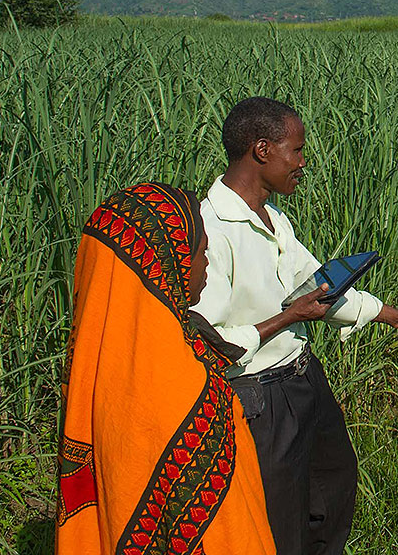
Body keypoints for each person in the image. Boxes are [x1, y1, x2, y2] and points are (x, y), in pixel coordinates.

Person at [192, 97, 398, 554]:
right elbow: (207, 338)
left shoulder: (273, 217)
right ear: (262, 150)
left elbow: (315, 288)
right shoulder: (212, 231)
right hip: (258, 398)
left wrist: (388, 314)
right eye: (296, 151)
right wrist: (287, 318)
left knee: (333, 486)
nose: (303, 162)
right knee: (281, 520)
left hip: (303, 377)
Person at [57, 183, 274, 554]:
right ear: (167, 263)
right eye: (201, 251)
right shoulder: (190, 390)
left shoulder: (89, 374)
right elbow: (230, 531)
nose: (206, 264)